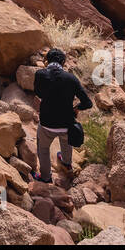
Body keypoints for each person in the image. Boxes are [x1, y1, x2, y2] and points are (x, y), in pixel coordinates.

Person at [32, 48, 92, 183]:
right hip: (66, 123)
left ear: (47, 61)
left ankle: (46, 177)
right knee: (66, 142)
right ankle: (66, 163)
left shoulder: (40, 74)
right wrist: (77, 108)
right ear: (63, 62)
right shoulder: (71, 78)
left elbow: (39, 94)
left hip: (47, 122)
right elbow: (87, 103)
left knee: (43, 148)